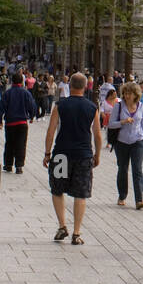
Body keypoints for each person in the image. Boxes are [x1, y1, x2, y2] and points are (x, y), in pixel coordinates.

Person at [43, 72, 101, 246]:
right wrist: (97, 154)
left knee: (57, 189)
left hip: (61, 154)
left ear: (70, 86)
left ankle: (62, 226)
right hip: (83, 155)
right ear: (85, 87)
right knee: (80, 193)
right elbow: (97, 134)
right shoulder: (92, 108)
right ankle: (77, 232)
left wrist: (47, 153)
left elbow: (51, 131)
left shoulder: (60, 105)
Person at [109, 81, 143, 210]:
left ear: (136, 95)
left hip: (137, 141)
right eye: (126, 93)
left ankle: (139, 200)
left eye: (130, 93)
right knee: (122, 168)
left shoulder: (142, 107)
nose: (127, 96)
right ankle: (122, 196)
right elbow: (111, 124)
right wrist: (123, 121)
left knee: (137, 170)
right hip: (122, 142)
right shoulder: (119, 106)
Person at [0, 72, 37, 173]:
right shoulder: (26, 93)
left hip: (10, 123)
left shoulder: (7, 93)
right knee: (21, 144)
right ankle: (19, 166)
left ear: (12, 81)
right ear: (22, 81)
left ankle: (8, 164)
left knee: (9, 144)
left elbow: (1, 106)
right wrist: (32, 116)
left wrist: (0, 120)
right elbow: (32, 105)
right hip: (22, 123)